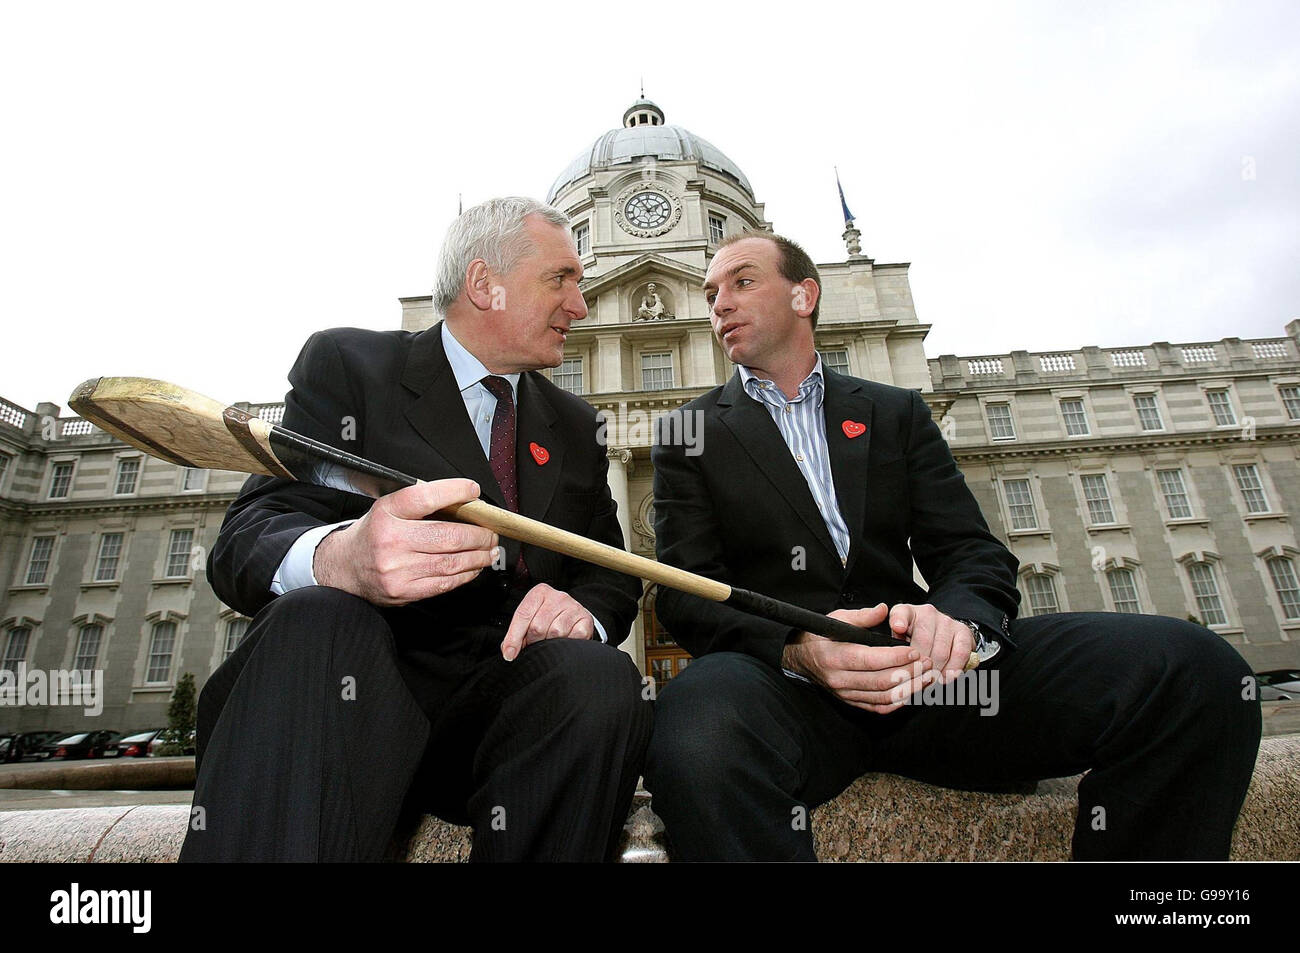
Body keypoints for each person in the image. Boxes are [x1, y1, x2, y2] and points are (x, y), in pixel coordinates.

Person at [643, 230, 1262, 861]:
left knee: (1194, 671)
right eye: (712, 292)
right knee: (696, 733)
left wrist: (957, 621)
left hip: (934, 683)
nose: (719, 303)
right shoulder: (688, 434)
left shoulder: (895, 412)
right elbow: (688, 592)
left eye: (742, 282)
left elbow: (970, 550)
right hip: (784, 693)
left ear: (805, 295)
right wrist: (800, 649)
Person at [180, 197, 651, 862]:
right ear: (485, 284)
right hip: (350, 706)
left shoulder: (574, 424)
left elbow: (609, 570)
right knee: (320, 617)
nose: (580, 304)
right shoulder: (349, 367)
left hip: (499, 724)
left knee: (599, 677)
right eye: (562, 279)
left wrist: (581, 611)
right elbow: (247, 536)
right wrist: (344, 557)